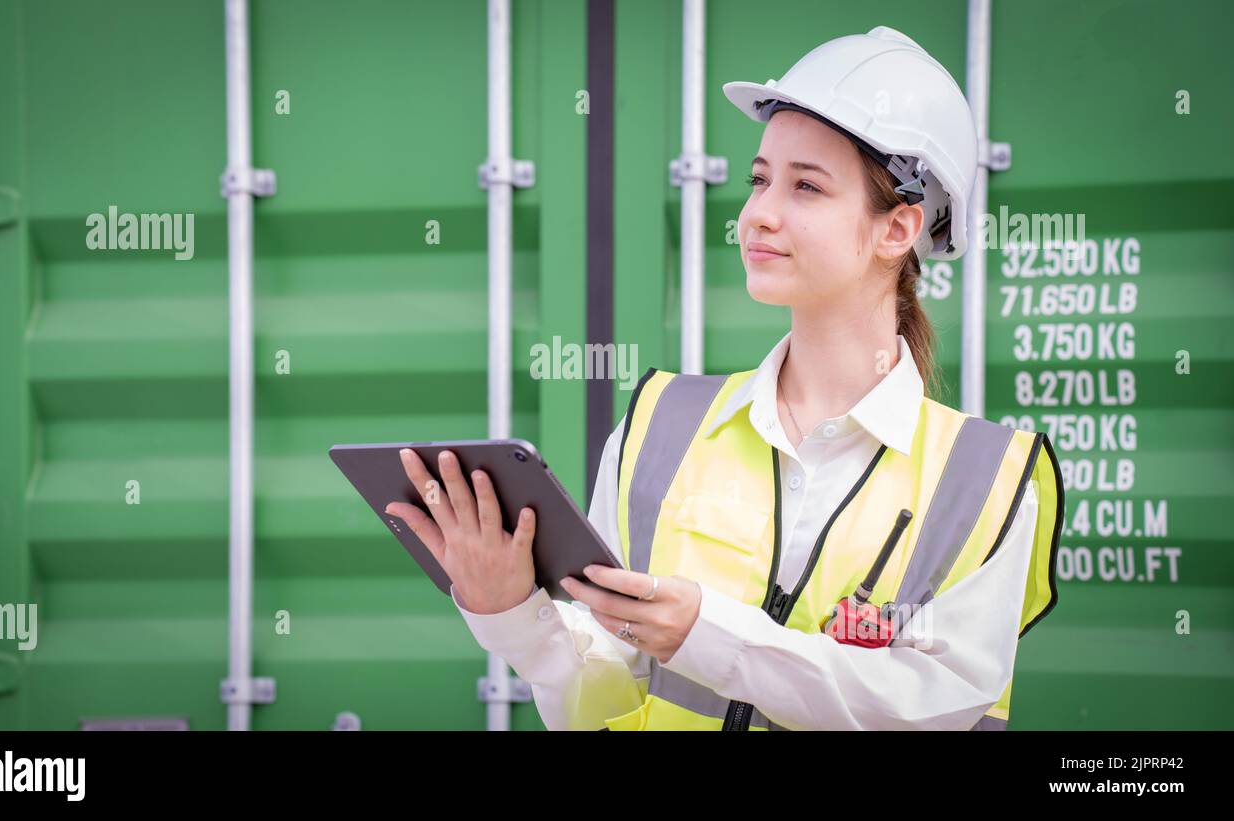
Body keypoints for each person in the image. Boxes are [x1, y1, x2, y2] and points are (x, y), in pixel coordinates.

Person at [385, 26, 1063, 731]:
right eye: (761, 179)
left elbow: (933, 709)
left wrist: (710, 636)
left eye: (806, 186)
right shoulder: (659, 423)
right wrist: (512, 614)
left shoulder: (987, 482)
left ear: (897, 229)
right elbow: (603, 701)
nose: (757, 215)